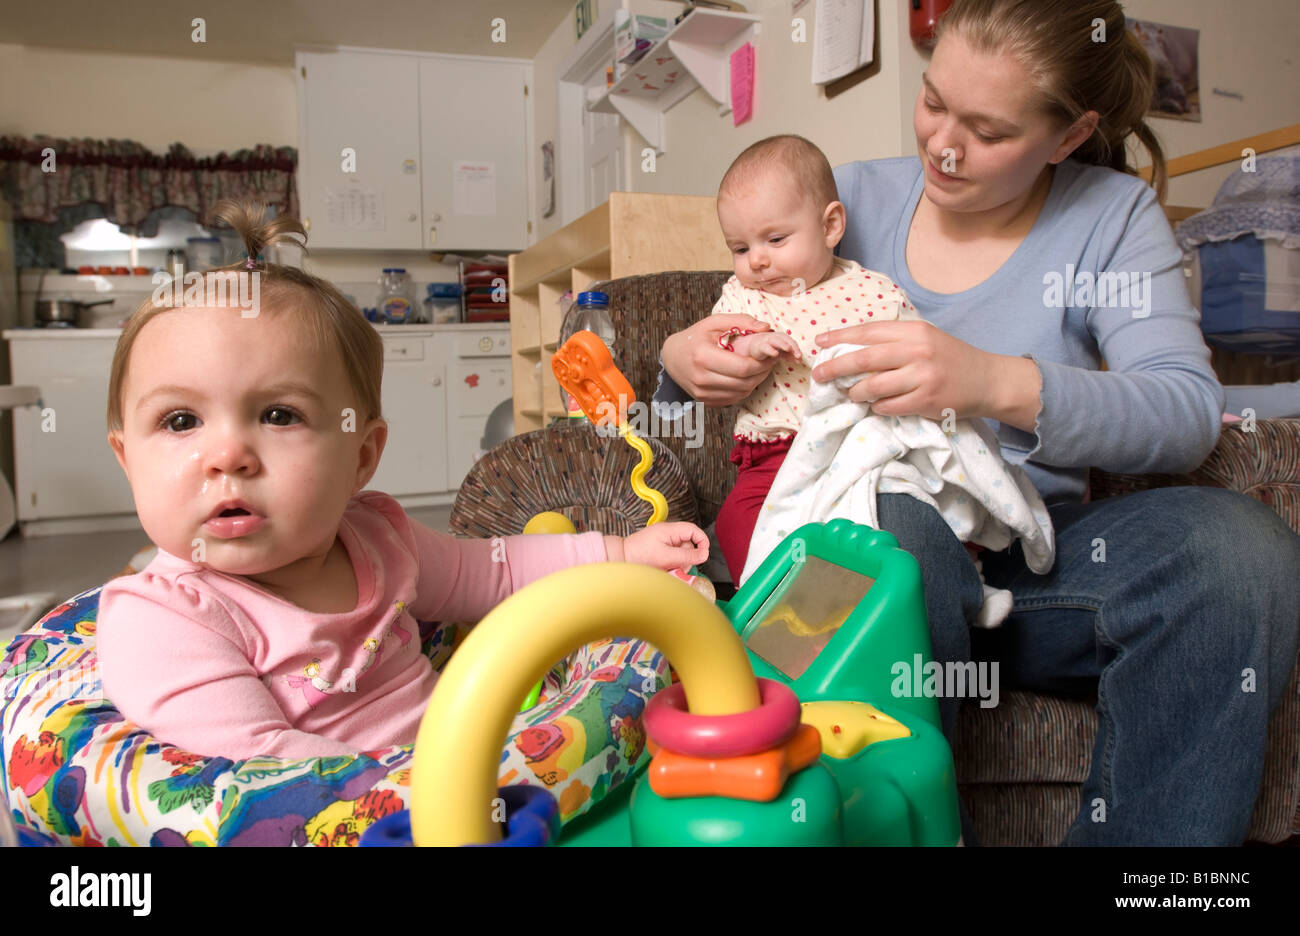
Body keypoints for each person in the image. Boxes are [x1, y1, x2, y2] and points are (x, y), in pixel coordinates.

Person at [656, 0, 1300, 845]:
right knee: (893, 525)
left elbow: (1183, 409)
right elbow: (726, 351)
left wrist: (992, 381)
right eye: (933, 101)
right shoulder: (844, 196)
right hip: (875, 570)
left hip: (1031, 567)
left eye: (988, 130)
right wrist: (677, 366)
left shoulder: (1111, 216)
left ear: (1068, 137)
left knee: (1238, 550)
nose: (943, 146)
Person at [98, 200, 709, 762]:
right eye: (181, 421)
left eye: (278, 415)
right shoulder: (165, 620)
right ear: (128, 460)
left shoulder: (377, 537)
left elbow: (493, 570)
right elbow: (259, 769)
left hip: (464, 770)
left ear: (361, 458)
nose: (227, 455)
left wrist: (620, 552)